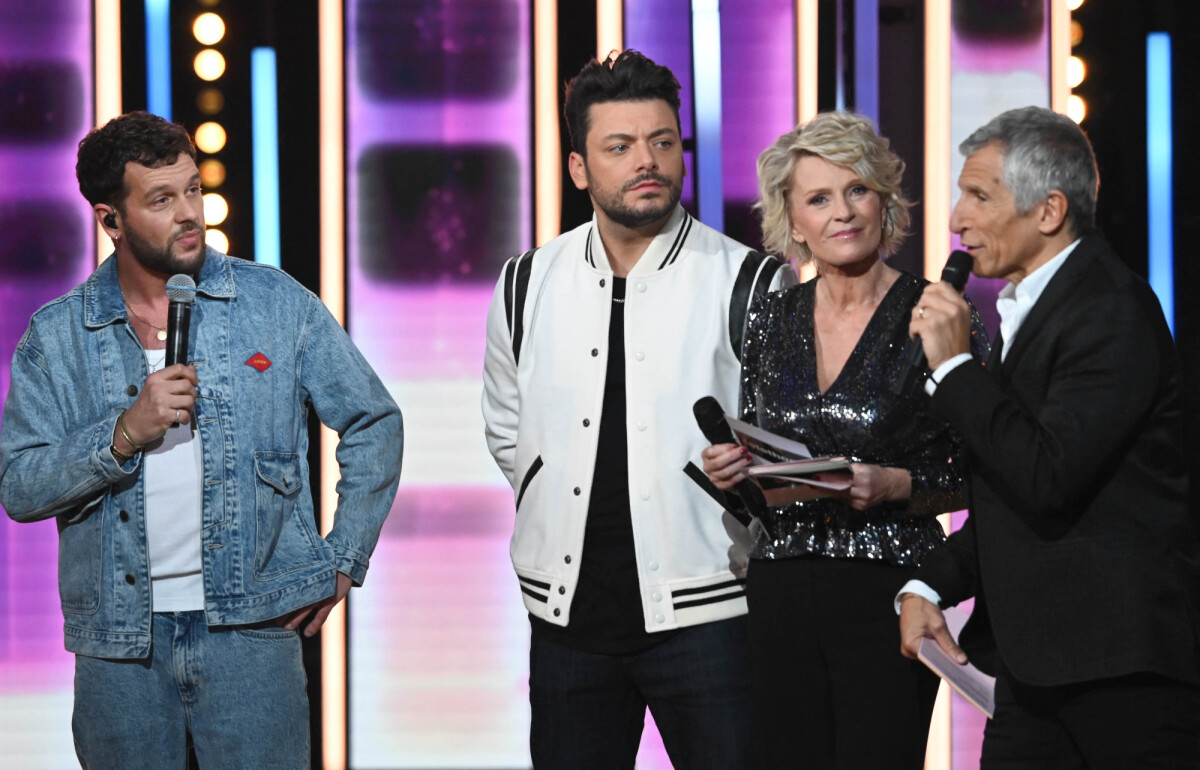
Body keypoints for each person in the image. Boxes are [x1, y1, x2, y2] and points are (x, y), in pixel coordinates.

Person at [0, 111, 403, 768]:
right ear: (112, 220)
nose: (190, 212)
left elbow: (374, 420)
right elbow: (18, 484)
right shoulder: (58, 336)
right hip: (119, 647)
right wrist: (125, 433)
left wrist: (342, 560)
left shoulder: (275, 302)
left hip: (252, 632)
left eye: (193, 188)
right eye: (162, 199)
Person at [482, 50, 796, 768]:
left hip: (712, 606)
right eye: (619, 147)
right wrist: (548, 489)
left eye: (661, 142)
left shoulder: (749, 280)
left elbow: (789, 443)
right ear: (579, 168)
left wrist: (749, 471)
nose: (646, 161)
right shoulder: (526, 281)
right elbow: (507, 428)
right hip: (565, 619)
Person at [899, 105, 1200, 766]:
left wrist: (953, 368)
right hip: (1038, 673)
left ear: (1049, 210)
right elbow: (1007, 489)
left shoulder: (1111, 310)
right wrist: (928, 586)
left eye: (979, 196)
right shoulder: (1038, 307)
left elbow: (1047, 475)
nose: (956, 219)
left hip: (1117, 672)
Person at [701, 111, 988, 768]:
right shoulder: (771, 318)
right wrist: (736, 468)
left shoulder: (938, 314)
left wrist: (898, 486)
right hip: (778, 594)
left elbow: (989, 471)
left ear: (884, 199)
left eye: (857, 189)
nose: (843, 212)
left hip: (890, 593)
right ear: (792, 220)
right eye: (819, 198)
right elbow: (768, 456)